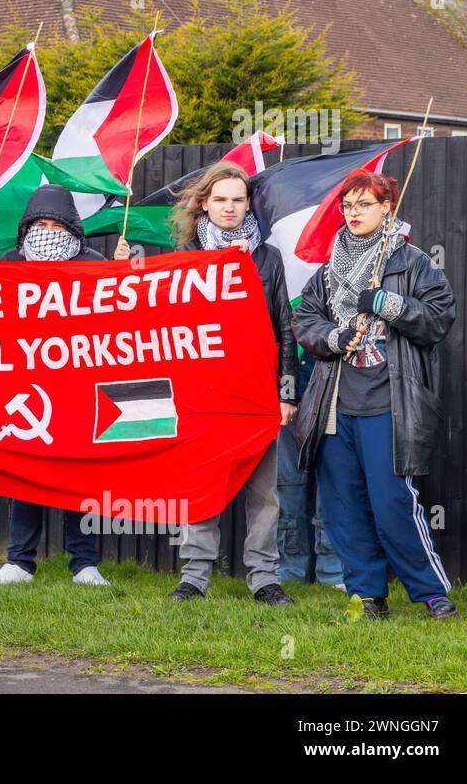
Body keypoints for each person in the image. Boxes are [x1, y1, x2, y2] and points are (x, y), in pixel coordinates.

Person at [115, 162, 296, 604]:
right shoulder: (186, 256)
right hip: (201, 393)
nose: (230, 207)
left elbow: (285, 328)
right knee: (202, 485)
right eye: (220, 199)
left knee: (264, 491)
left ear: (248, 203)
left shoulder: (267, 258)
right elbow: (151, 316)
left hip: (256, 393)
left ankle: (263, 579)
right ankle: (194, 577)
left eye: (237, 199)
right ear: (204, 204)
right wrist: (123, 273)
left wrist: (286, 392)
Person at [291, 169, 457, 619]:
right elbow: (304, 321)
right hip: (335, 402)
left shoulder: (413, 261)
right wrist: (333, 336)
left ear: (387, 208)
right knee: (344, 505)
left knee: (392, 503)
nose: (354, 213)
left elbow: (440, 319)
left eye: (365, 204)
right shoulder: (328, 269)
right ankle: (367, 594)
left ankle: (432, 593)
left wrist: (387, 303)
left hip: (391, 401)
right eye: (348, 205)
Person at [0, 184, 111, 587]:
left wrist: (121, 276)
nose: (48, 231)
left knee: (79, 475)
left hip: (80, 386)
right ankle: (20, 562)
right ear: (28, 226)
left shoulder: (94, 263)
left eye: (56, 224)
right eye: (40, 223)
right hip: (27, 387)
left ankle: (84, 563)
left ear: (71, 228)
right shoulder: (10, 261)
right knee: (26, 471)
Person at [276, 352, 344, 588]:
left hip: (331, 380)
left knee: (332, 479)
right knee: (287, 484)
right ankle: (292, 569)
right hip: (279, 384)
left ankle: (333, 571)